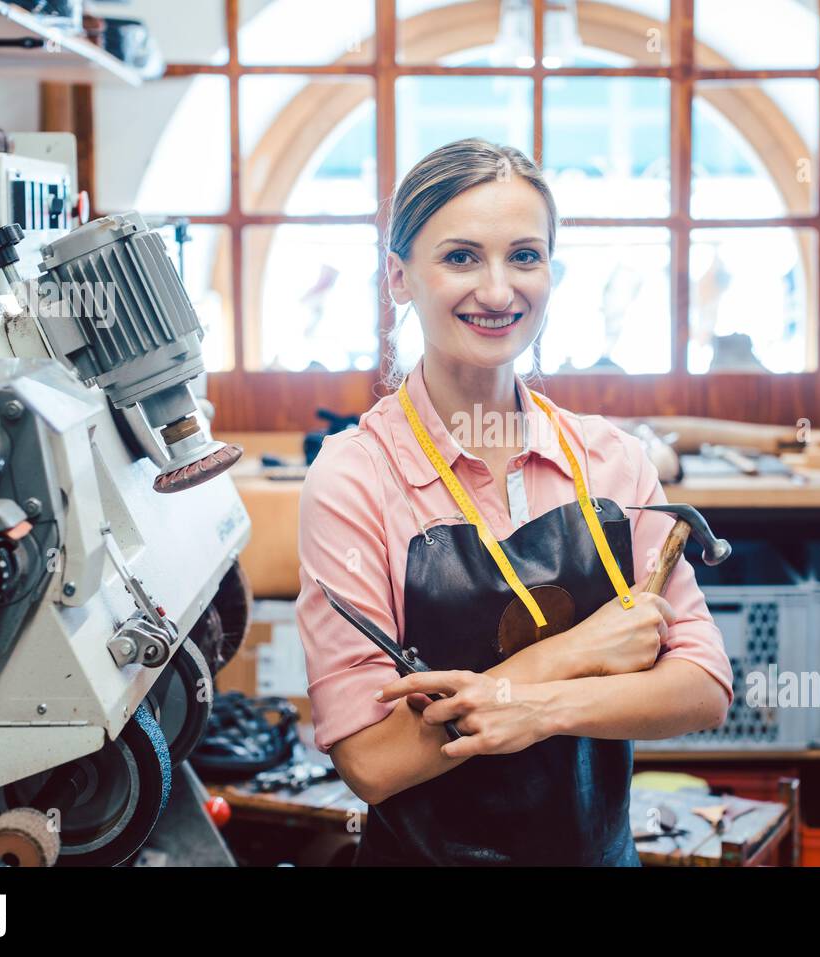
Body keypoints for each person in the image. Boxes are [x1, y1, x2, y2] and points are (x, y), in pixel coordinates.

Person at [296, 137, 735, 866]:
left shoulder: (610, 460)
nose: (499, 291)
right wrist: (579, 651)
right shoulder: (355, 478)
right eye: (461, 257)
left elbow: (703, 686)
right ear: (399, 277)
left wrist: (530, 705)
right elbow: (371, 760)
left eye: (525, 256)